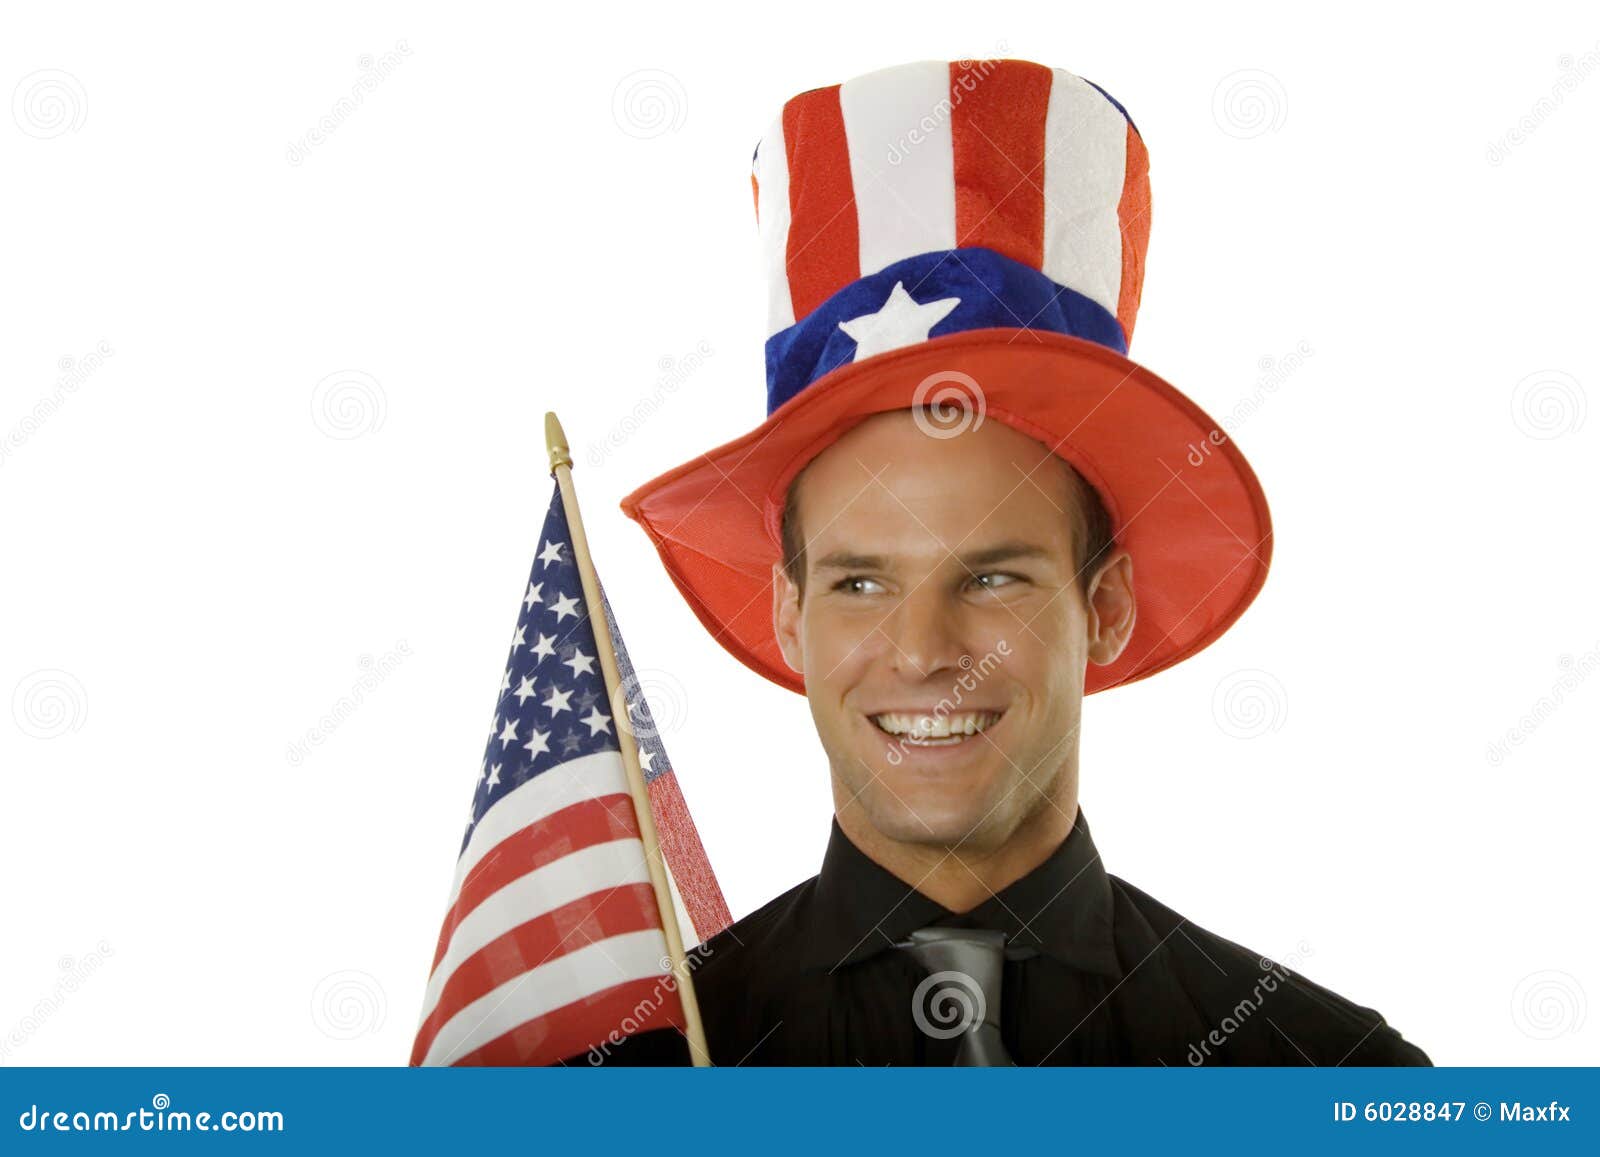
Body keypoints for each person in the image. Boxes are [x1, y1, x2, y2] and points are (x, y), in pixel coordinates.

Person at [595, 57, 1430, 1066]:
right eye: (860, 581)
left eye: (991, 576)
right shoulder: (636, 1078)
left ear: (1106, 604)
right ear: (787, 611)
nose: (922, 650)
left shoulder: (1321, 1072)